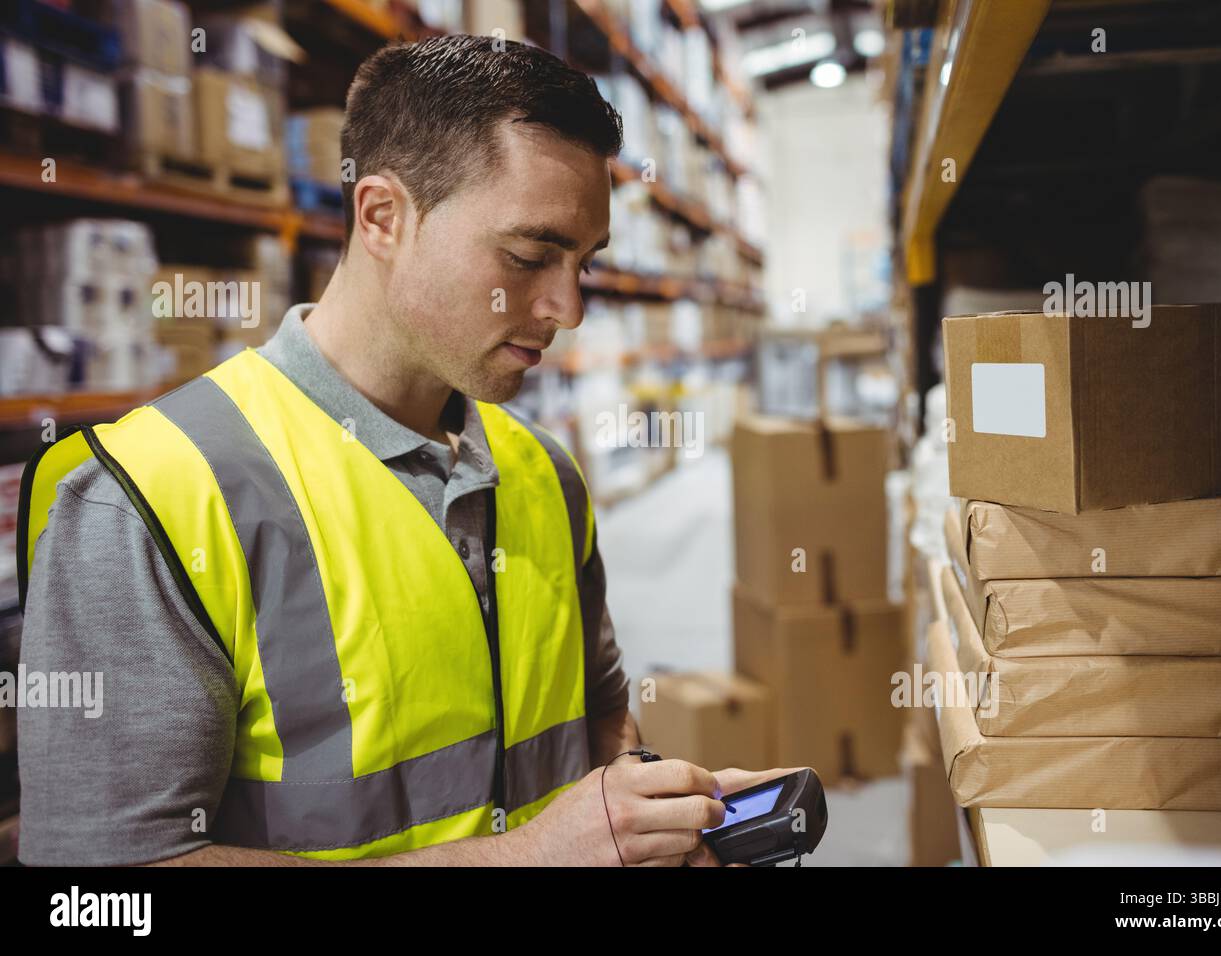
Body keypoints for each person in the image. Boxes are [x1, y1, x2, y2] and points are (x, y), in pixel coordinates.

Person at [16, 35, 784, 866]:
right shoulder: (153, 499)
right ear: (382, 216)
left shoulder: (543, 473)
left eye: (584, 265)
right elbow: (100, 888)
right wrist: (526, 857)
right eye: (529, 256)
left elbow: (597, 711)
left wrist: (643, 816)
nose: (567, 308)